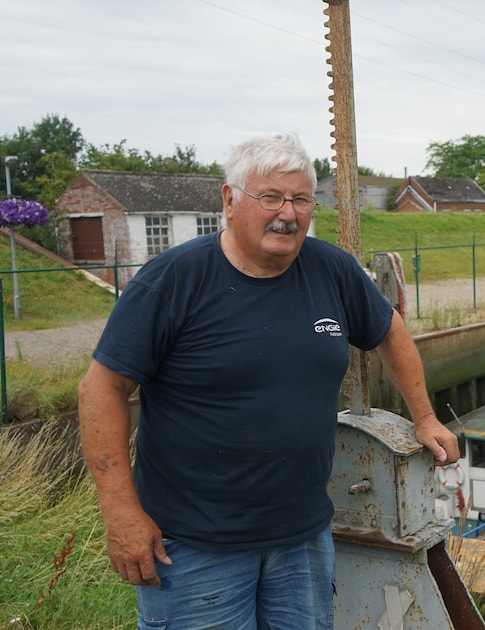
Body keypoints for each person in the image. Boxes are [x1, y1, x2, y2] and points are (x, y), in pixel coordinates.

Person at [77, 132, 460, 628]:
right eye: (271, 197)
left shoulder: (331, 269)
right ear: (229, 200)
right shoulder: (173, 280)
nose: (288, 213)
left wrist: (424, 417)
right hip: (195, 547)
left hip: (303, 540)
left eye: (301, 199)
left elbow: (390, 329)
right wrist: (121, 514)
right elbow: (101, 389)